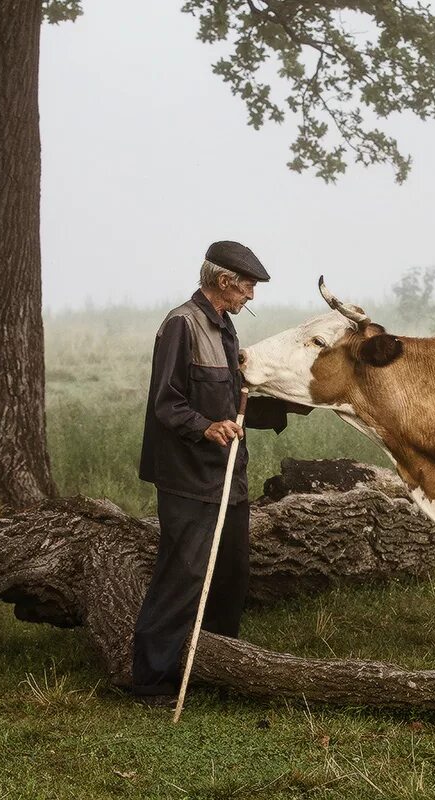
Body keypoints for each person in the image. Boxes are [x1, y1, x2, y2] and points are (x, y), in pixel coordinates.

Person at [131, 240, 307, 704]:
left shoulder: (225, 327)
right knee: (182, 574)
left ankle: (215, 666)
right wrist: (205, 427)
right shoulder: (181, 325)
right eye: (247, 285)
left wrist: (301, 400)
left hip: (230, 476)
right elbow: (166, 403)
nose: (251, 295)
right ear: (225, 281)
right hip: (189, 477)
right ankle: (152, 681)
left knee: (230, 575)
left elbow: (233, 401)